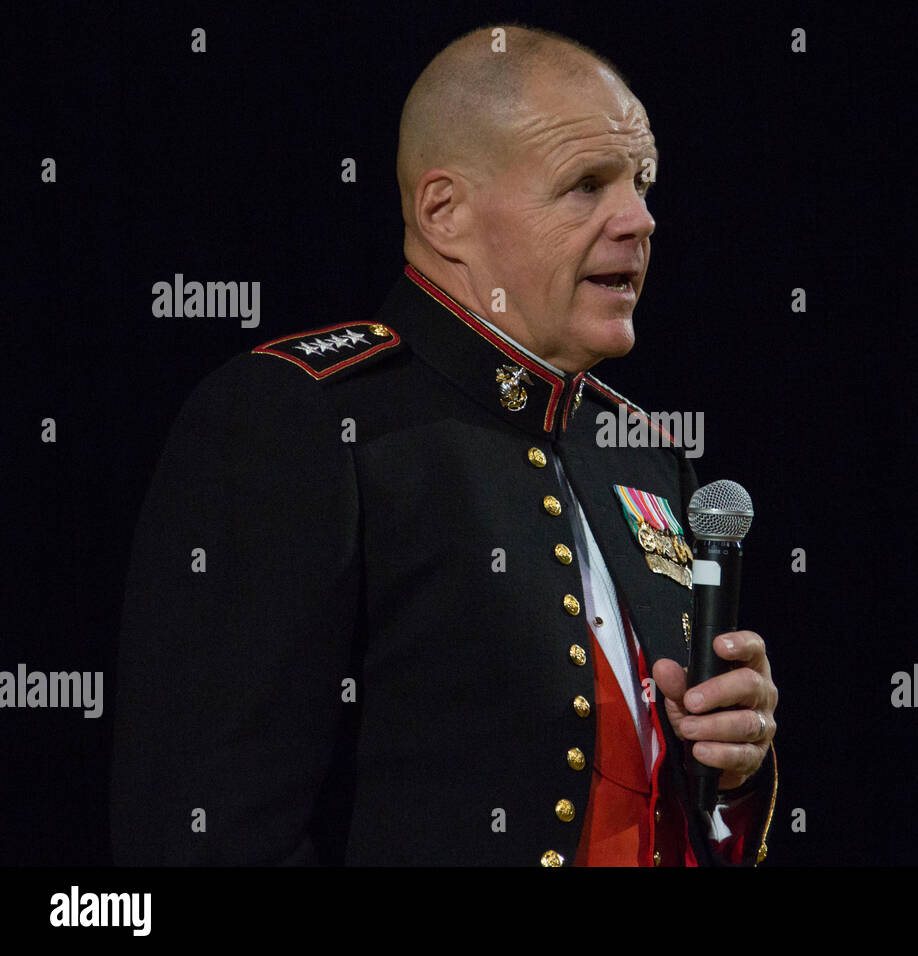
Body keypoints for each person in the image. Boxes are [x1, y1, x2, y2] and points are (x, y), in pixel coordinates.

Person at [111, 24, 778, 867]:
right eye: (585, 184)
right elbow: (202, 831)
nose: (639, 219)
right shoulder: (304, 420)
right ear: (444, 212)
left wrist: (733, 768)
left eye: (642, 182)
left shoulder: (641, 449)